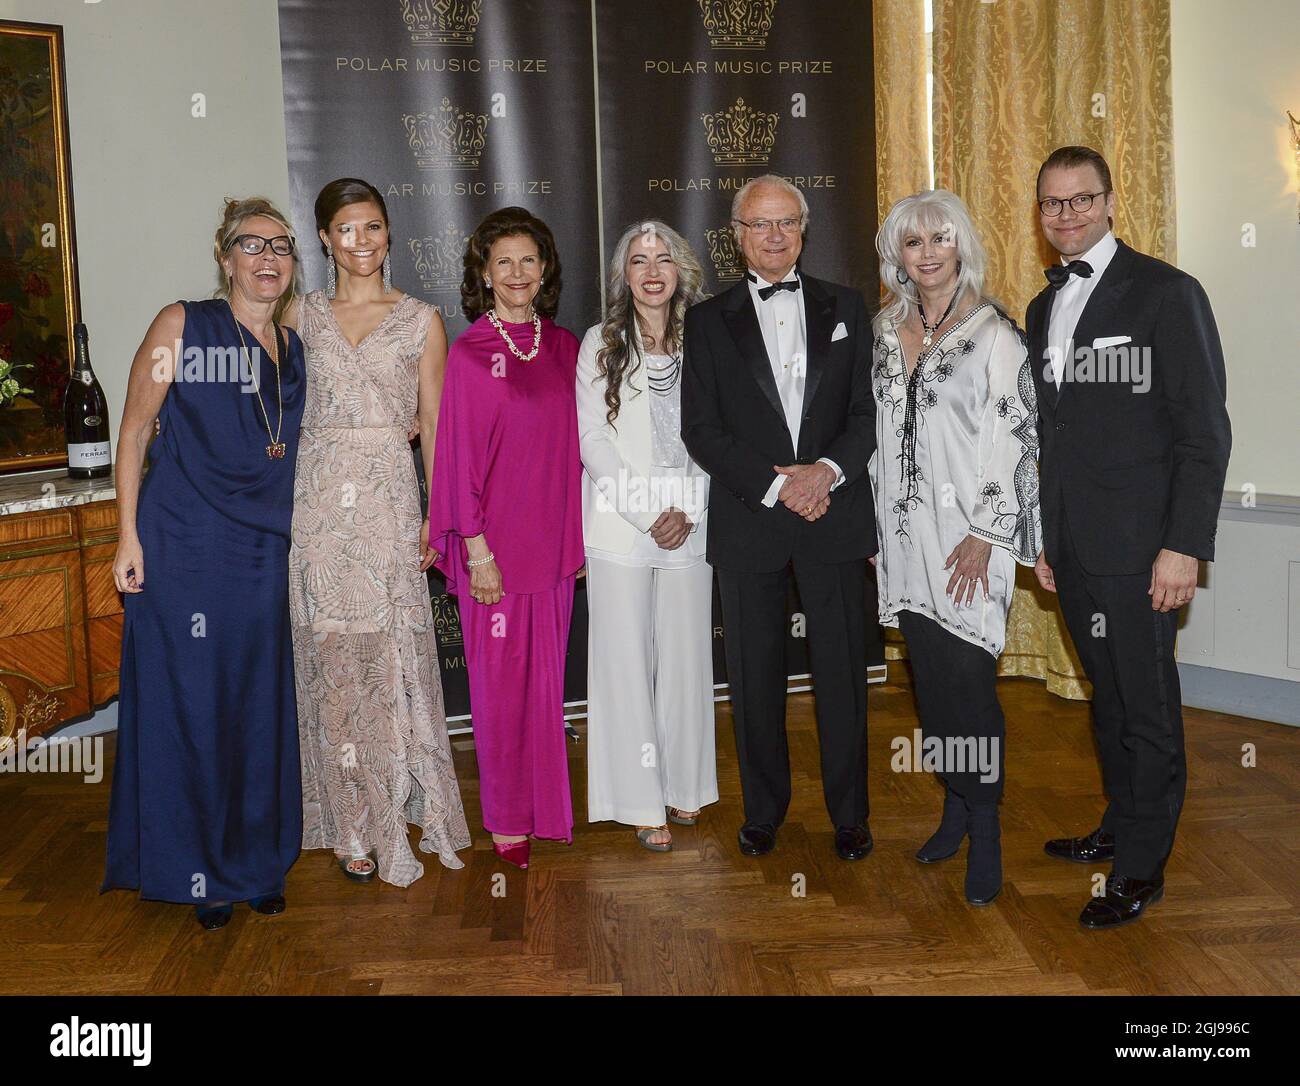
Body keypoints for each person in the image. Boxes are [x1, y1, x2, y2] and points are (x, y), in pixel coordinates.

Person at [1027, 146, 1231, 928]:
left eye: (1081, 200)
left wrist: (1185, 546)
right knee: (1105, 698)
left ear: (1112, 202)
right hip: (1075, 548)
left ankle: (1142, 866)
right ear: (1039, 214)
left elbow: (1204, 432)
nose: (1067, 215)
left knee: (1147, 706)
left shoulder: (1167, 294)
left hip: (1146, 550)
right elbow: (1056, 436)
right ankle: (1120, 824)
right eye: (1052, 203)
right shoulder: (1045, 308)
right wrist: (1048, 536)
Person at [103, 197, 306, 930]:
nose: (266, 258)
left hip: (261, 554)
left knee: (257, 708)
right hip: (183, 547)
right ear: (224, 258)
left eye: (280, 246)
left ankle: (256, 863)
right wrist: (127, 535)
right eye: (250, 245)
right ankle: (201, 872)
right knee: (194, 708)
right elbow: (132, 432)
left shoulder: (295, 345)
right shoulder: (181, 324)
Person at [681, 175, 877, 862]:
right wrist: (776, 489)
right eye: (759, 224)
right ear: (736, 237)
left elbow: (865, 415)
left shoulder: (848, 305)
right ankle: (764, 812)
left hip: (835, 514)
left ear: (804, 229)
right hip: (750, 521)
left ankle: (850, 815)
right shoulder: (706, 321)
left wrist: (825, 473)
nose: (773, 235)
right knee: (754, 679)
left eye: (786, 222)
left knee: (844, 677)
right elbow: (701, 431)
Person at [285, 177, 470, 887]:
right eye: (346, 229)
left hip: (391, 501)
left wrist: (437, 513)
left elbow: (437, 428)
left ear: (389, 234)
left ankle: (395, 808)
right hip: (319, 503)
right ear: (325, 238)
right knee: (334, 662)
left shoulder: (421, 319)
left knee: (391, 661)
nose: (361, 242)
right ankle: (349, 822)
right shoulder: (299, 315)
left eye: (374, 227)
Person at [870, 189, 1040, 905]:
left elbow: (1019, 439)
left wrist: (987, 533)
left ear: (962, 247)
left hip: (971, 542)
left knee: (970, 693)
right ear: (897, 256)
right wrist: (876, 534)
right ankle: (955, 807)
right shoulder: (882, 332)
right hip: (905, 543)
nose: (929, 252)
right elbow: (878, 445)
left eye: (941, 239)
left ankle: (988, 826)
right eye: (914, 242)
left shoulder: (997, 335)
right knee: (931, 692)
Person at [427, 207, 584, 870]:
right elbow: (456, 459)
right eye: (503, 263)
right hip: (492, 552)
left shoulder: (567, 348)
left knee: (546, 692)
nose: (517, 274)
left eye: (528, 261)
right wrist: (478, 551)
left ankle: (546, 810)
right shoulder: (469, 355)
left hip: (553, 550)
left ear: (544, 270)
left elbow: (583, 450)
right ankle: (505, 819)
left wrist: (577, 543)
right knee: (497, 695)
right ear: (484, 276)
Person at [577, 221, 715, 852]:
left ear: (681, 270)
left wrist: (683, 508)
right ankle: (638, 801)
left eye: (663, 259)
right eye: (639, 260)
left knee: (686, 661)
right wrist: (645, 512)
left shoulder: (709, 340)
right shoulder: (598, 345)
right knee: (625, 665)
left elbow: (719, 434)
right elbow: (593, 442)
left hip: (692, 520)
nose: (652, 270)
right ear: (622, 275)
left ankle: (685, 788)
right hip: (620, 526)